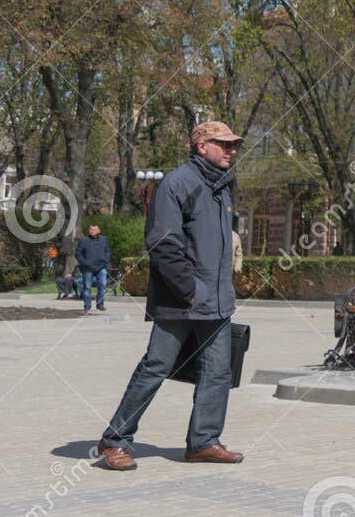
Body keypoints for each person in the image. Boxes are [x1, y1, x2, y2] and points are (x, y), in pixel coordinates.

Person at [97, 121, 245, 470]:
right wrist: (189, 291)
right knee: (155, 368)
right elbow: (163, 244)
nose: (231, 150)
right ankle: (115, 440)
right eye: (222, 144)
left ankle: (203, 442)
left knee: (218, 372)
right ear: (201, 145)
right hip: (182, 300)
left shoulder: (222, 188)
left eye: (233, 144)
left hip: (219, 301)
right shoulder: (177, 183)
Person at [73, 223, 112, 315]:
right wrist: (85, 263)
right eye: (91, 230)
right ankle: (87, 306)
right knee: (87, 287)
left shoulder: (104, 239)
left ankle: (100, 304)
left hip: (101, 267)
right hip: (88, 268)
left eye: (94, 230)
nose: (92, 231)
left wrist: (106, 259)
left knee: (102, 285)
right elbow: (78, 253)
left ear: (99, 231)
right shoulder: (84, 240)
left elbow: (108, 251)